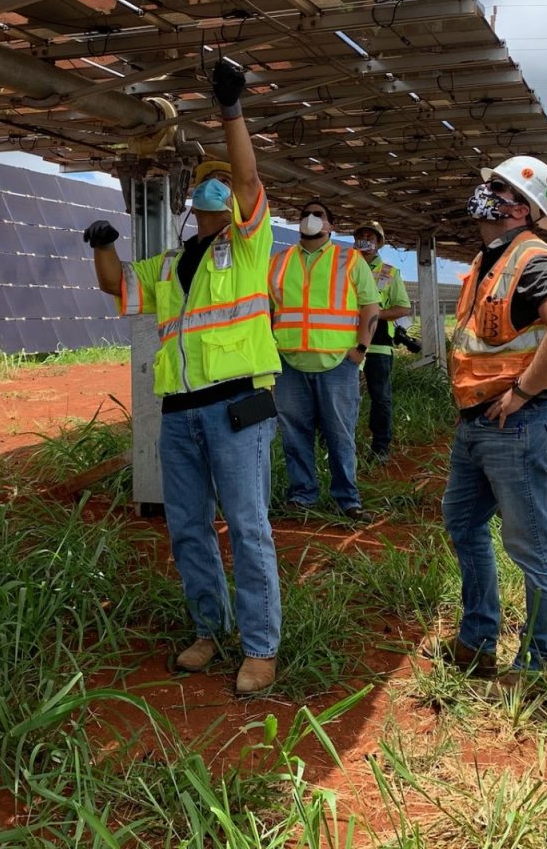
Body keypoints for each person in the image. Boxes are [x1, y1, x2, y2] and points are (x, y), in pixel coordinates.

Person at [84, 61, 283, 696]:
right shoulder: (170, 264)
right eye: (204, 188)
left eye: (221, 187)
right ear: (190, 203)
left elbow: (248, 176)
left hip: (237, 407)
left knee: (248, 526)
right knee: (188, 526)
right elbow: (117, 285)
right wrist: (102, 244)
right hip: (179, 414)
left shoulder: (250, 247)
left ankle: (260, 648)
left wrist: (230, 112)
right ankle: (208, 629)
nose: (214, 193)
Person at [423, 157, 547, 688]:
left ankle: (538, 666)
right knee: (464, 524)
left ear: (521, 207)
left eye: (494, 187)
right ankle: (477, 640)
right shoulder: (489, 258)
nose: (483, 191)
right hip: (479, 422)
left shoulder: (534, 259)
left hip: (518, 421)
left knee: (533, 547)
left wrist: (523, 390)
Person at [269, 199, 381, 519]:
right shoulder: (277, 261)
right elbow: (266, 309)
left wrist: (360, 350)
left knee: (340, 434)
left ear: (331, 225)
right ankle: (302, 495)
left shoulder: (349, 259)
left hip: (337, 364)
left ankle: (348, 499)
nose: (310, 219)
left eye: (318, 215)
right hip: (289, 363)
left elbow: (370, 306)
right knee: (294, 434)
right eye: (305, 214)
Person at [351, 221, 411, 462]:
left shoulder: (389, 272)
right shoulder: (343, 268)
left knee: (380, 397)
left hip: (378, 344)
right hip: (347, 343)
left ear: (378, 244)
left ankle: (381, 448)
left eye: (371, 237)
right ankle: (343, 447)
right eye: (361, 236)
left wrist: (373, 313)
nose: (365, 240)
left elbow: (403, 307)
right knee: (345, 397)